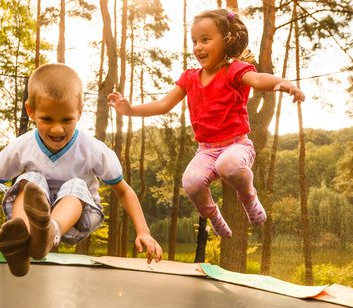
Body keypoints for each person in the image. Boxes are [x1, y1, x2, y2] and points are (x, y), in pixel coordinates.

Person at [0, 63, 162, 277]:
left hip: (78, 218)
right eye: (47, 119)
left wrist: (143, 232)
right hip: (33, 214)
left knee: (75, 185)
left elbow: (124, 191)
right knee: (30, 180)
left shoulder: (92, 149)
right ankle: (23, 241)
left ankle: (49, 233)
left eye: (66, 120)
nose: (57, 130)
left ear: (79, 111)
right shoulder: (22, 146)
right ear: (31, 111)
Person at [107, 9, 305, 238]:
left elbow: (259, 79)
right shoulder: (190, 78)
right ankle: (213, 215)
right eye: (194, 41)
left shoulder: (234, 71)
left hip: (236, 145)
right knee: (191, 183)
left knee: (228, 166)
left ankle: (249, 197)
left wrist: (283, 83)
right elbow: (163, 105)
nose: (198, 47)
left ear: (227, 40)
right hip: (206, 150)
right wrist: (129, 110)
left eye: (206, 40)